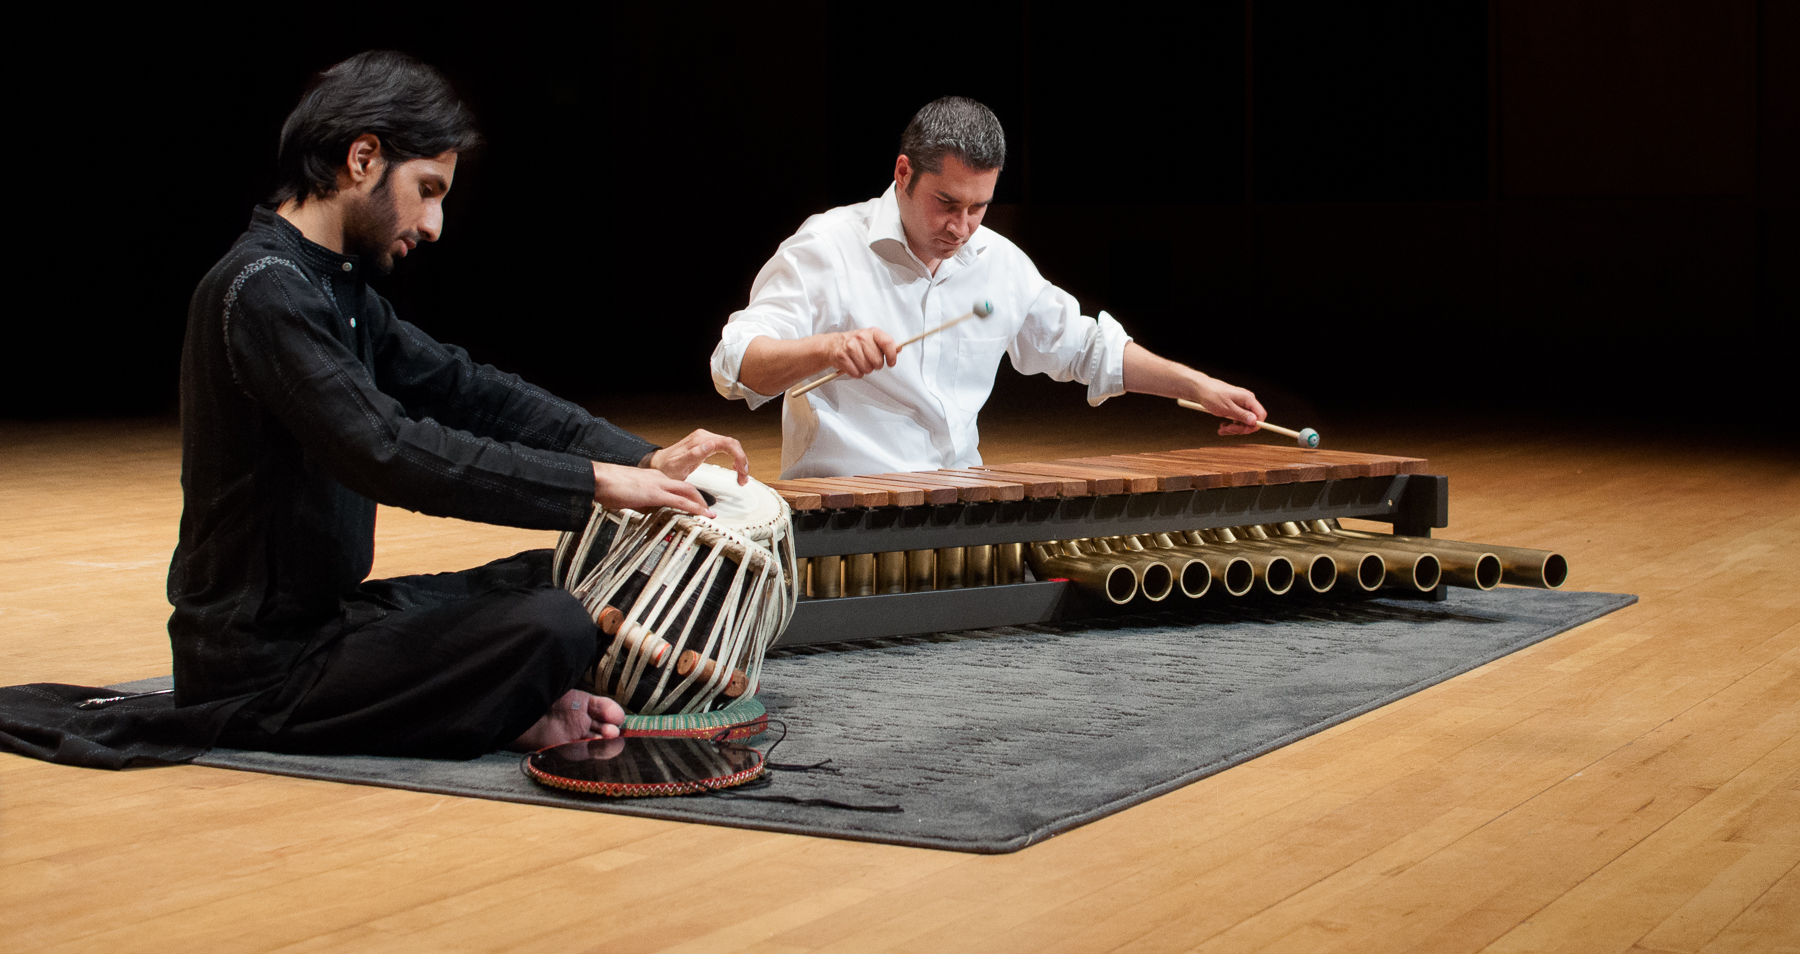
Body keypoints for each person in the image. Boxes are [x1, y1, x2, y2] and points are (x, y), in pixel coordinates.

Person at [169, 50, 748, 759]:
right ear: (362, 158)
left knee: (563, 573)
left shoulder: (332, 287)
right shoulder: (261, 289)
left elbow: (470, 389)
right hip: (259, 665)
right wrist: (596, 484)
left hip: (333, 619)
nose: (435, 223)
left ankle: (505, 701)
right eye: (428, 188)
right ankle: (505, 707)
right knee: (556, 622)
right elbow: (389, 451)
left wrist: (641, 457)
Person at [710, 96, 1267, 479]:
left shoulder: (997, 261)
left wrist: (1197, 386)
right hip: (845, 506)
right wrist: (825, 348)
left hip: (959, 497)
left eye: (979, 206)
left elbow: (1087, 348)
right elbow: (734, 364)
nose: (961, 226)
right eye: (946, 203)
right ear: (903, 173)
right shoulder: (827, 246)